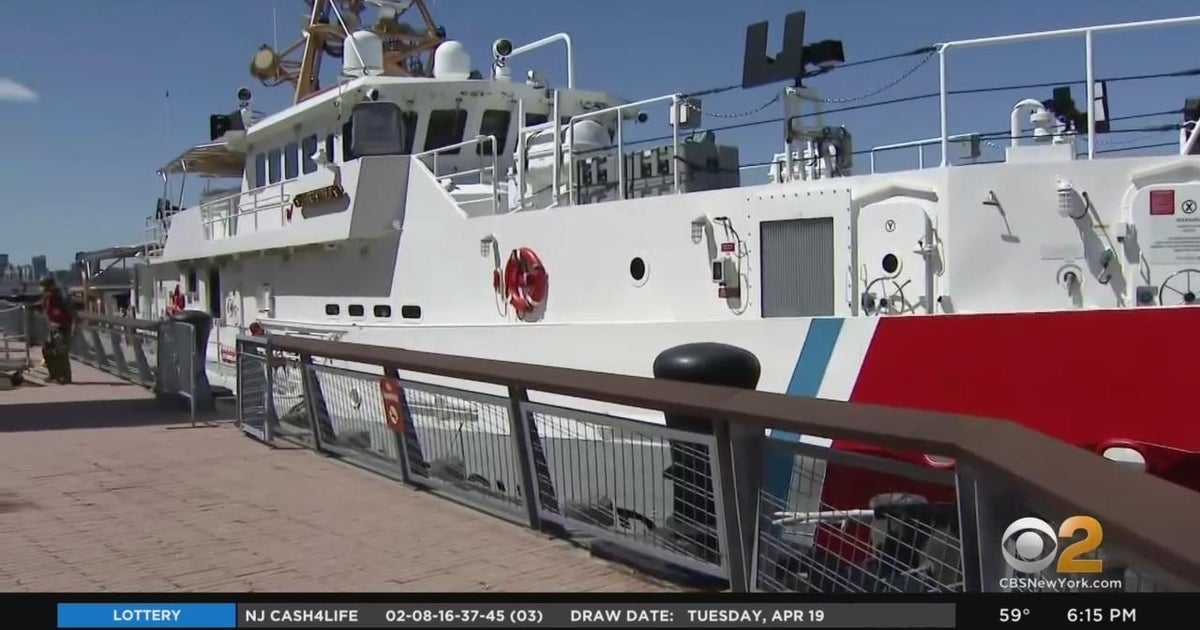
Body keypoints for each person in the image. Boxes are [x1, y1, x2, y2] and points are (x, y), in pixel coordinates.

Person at [39, 277, 74, 384]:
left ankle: (65, 376)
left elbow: (69, 312)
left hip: (62, 326)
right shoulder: (47, 297)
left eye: (46, 287)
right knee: (47, 349)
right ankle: (54, 374)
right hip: (52, 326)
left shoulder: (60, 296)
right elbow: (45, 310)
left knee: (61, 351)